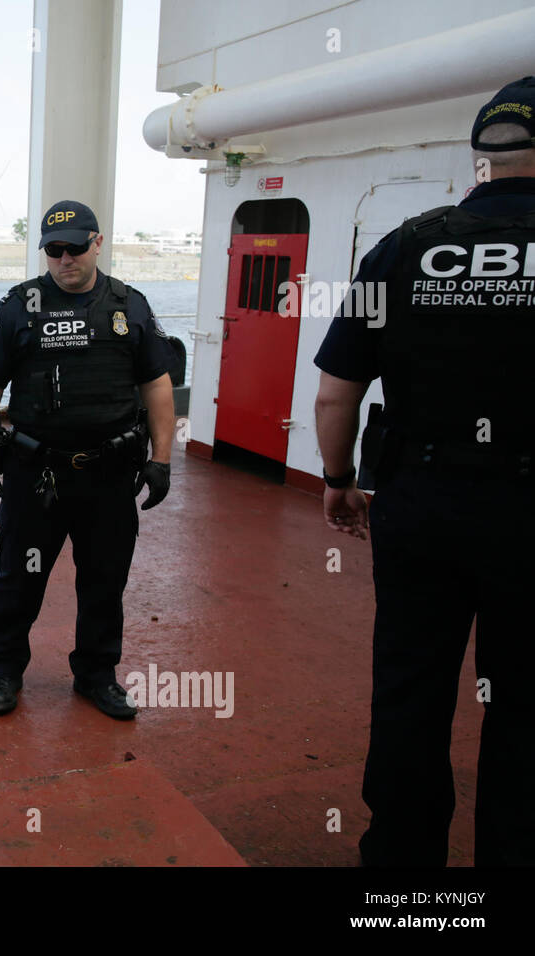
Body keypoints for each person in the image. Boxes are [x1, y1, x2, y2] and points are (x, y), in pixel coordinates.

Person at [314, 76, 535, 868]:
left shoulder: (406, 245)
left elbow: (337, 391)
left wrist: (338, 478)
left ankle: (406, 882)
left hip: (423, 506)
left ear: (481, 156)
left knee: (411, 687)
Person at [0, 200, 175, 718]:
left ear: (97, 243)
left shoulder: (130, 307)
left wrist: (162, 459)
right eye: (54, 250)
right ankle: (5, 670)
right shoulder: (20, 306)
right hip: (37, 474)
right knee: (19, 576)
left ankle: (96, 676)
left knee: (105, 578)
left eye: (75, 248)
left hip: (109, 475)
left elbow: (158, 386)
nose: (64, 259)